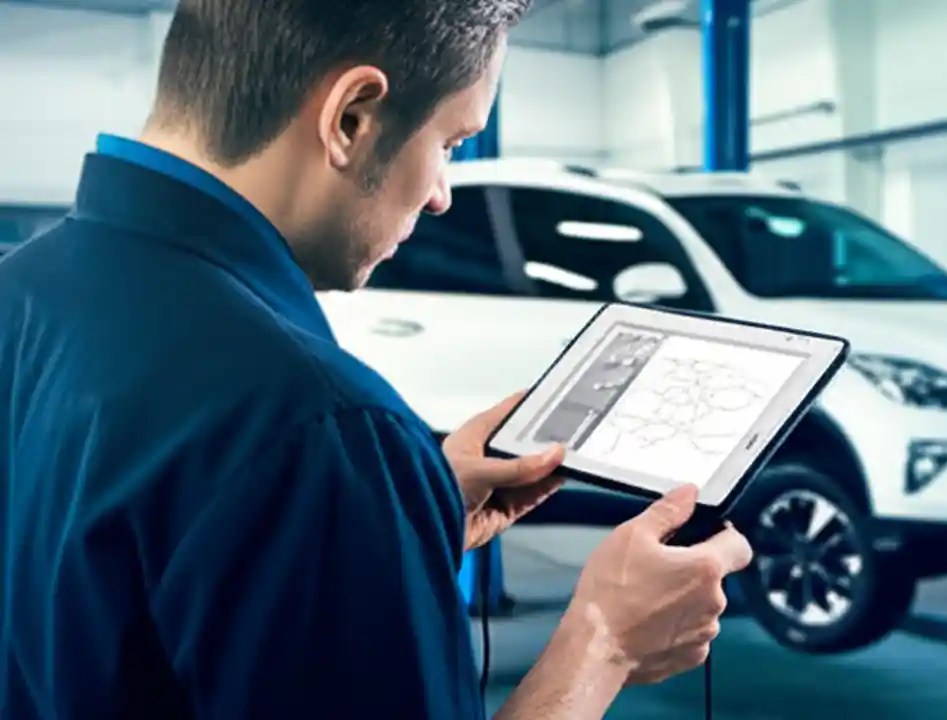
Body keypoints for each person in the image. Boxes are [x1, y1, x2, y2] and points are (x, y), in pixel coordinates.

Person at [0, 1, 753, 718]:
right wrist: (603, 643)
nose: (440, 196)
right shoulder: (315, 424)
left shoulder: (21, 290)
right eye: (451, 143)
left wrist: (406, 511)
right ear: (351, 118)